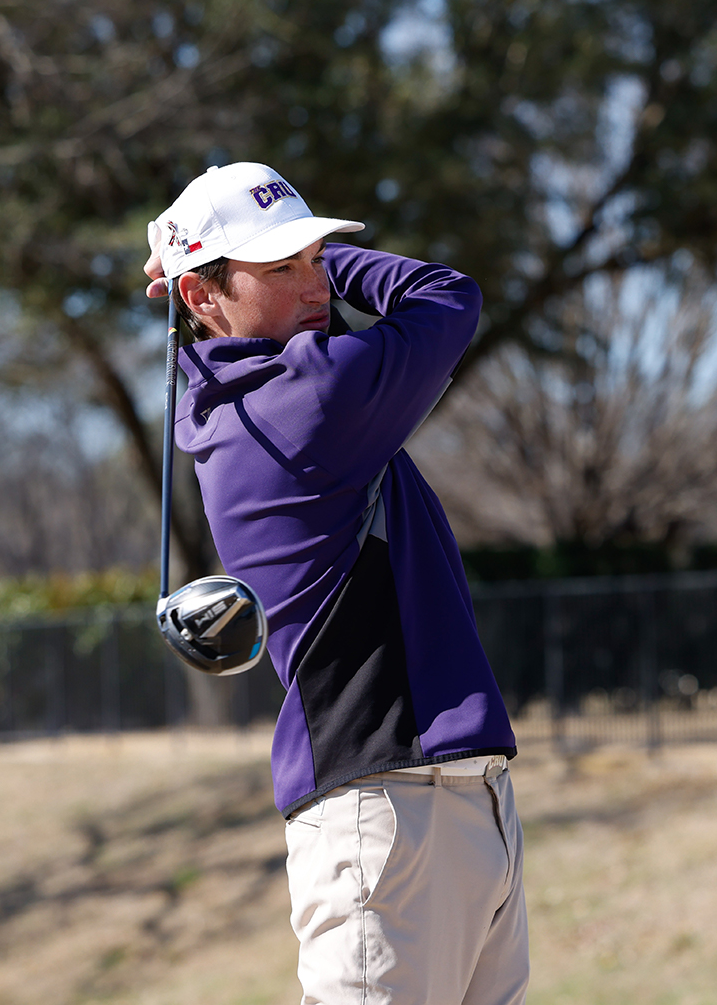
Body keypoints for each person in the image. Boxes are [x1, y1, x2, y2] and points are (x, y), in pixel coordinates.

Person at [141, 162, 527, 1005]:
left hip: (455, 799)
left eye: (318, 257)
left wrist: (245, 269)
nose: (314, 282)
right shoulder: (310, 395)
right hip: (381, 813)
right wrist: (340, 267)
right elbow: (444, 296)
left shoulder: (271, 392)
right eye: (281, 268)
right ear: (205, 299)